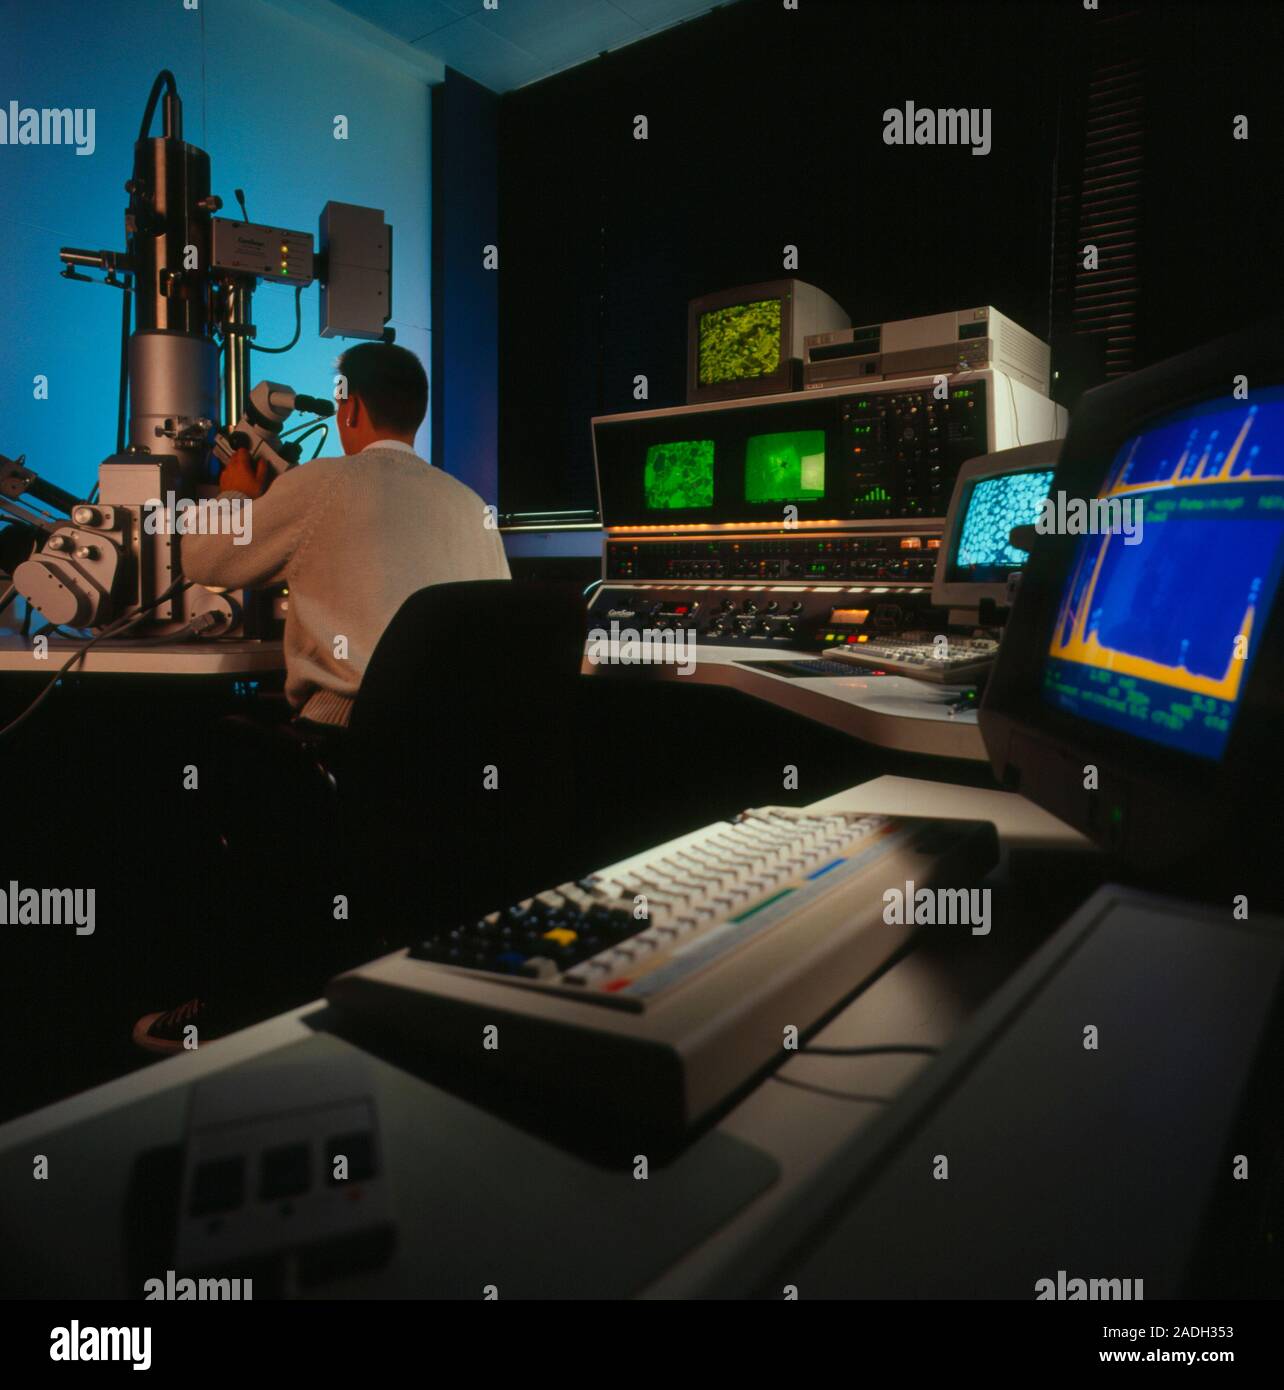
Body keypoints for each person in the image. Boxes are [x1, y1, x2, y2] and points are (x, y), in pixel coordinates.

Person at [132, 343, 510, 1053]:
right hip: (456, 764)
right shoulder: (470, 505)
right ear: (418, 415)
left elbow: (208, 561)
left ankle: (235, 1001)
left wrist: (239, 495)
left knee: (217, 747)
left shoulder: (326, 484)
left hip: (349, 755)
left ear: (351, 408)